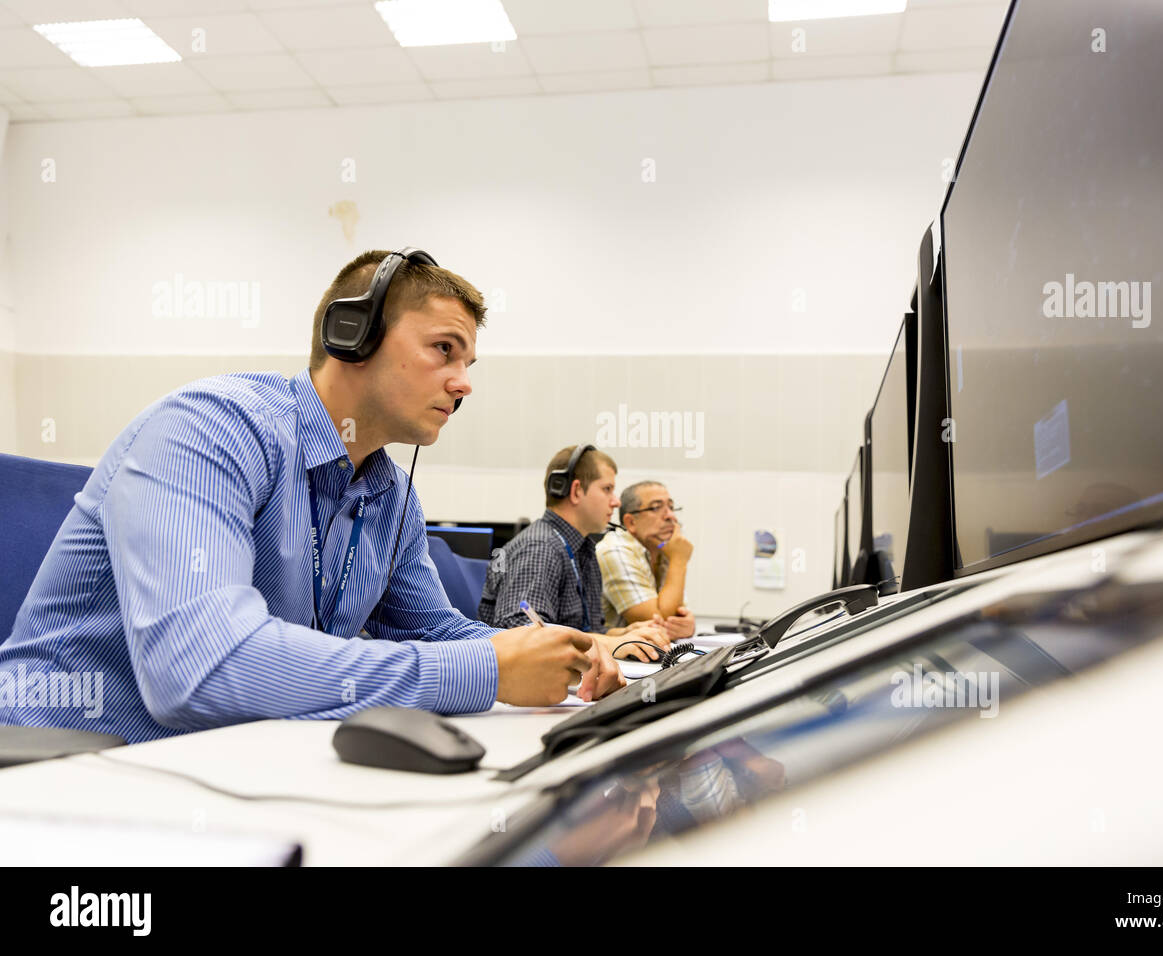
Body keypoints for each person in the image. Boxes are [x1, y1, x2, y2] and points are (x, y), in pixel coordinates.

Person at [0, 248, 621, 744]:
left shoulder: (388, 495)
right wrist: (488, 672)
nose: (462, 384)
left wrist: (564, 653)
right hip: (64, 769)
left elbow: (438, 633)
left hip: (227, 763)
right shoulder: (213, 428)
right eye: (443, 350)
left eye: (468, 363)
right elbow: (200, 670)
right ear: (353, 335)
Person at [478, 445, 672, 662]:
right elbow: (522, 635)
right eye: (607, 489)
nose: (616, 501)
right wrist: (608, 643)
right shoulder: (540, 548)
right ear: (577, 490)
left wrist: (623, 634)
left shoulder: (583, 548)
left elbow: (581, 629)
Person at [597, 481, 695, 638]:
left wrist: (688, 626)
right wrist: (679, 561)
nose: (670, 516)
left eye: (671, 507)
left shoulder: (664, 549)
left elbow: (677, 616)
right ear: (631, 522)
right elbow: (657, 621)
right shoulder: (614, 549)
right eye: (656, 507)